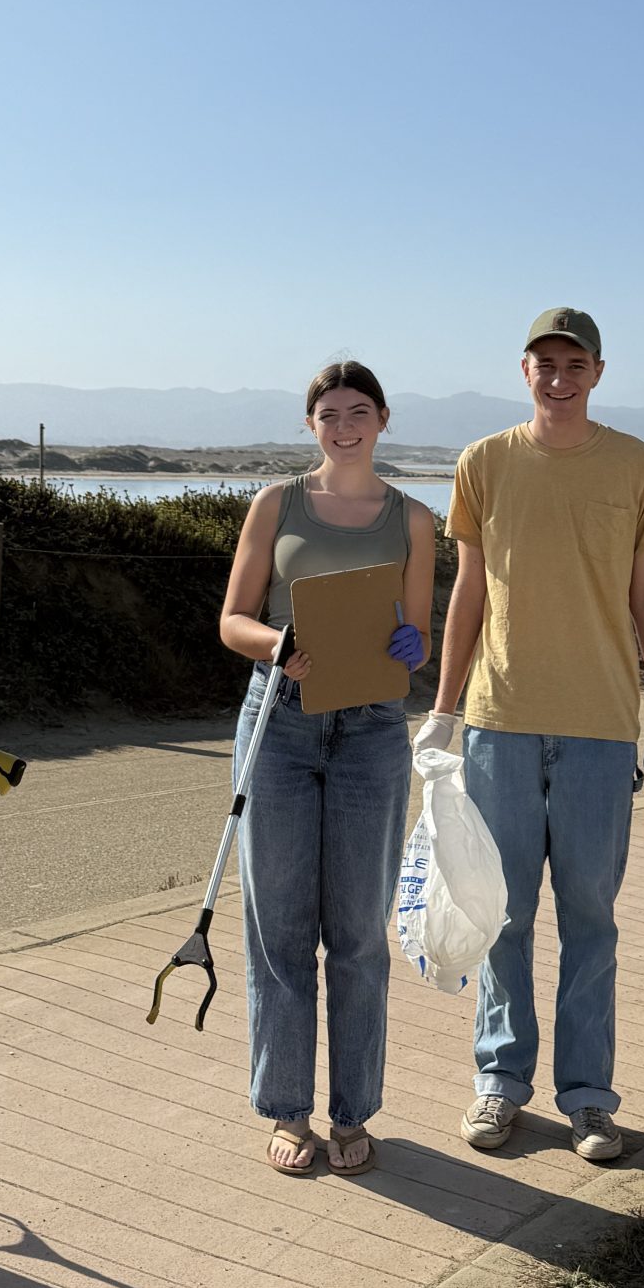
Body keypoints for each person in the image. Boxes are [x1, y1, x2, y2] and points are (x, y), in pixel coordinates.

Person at [416, 308, 644, 1162]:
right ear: (522, 370)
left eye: (575, 364)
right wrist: (446, 707)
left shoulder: (637, 465)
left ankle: (589, 1099)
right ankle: (499, 1084)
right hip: (498, 720)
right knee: (502, 911)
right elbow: (467, 593)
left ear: (598, 372)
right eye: (544, 363)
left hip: (603, 725)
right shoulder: (483, 463)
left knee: (591, 917)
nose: (559, 377)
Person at [217, 361, 437, 1176]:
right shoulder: (275, 504)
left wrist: (415, 647)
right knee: (278, 931)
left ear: (383, 419)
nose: (343, 426)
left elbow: (414, 633)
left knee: (356, 935)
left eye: (358, 413)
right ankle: (287, 1111)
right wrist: (276, 645)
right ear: (311, 424)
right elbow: (232, 620)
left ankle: (353, 1114)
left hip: (373, 729)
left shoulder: (415, 519)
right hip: (276, 723)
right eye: (328, 414)